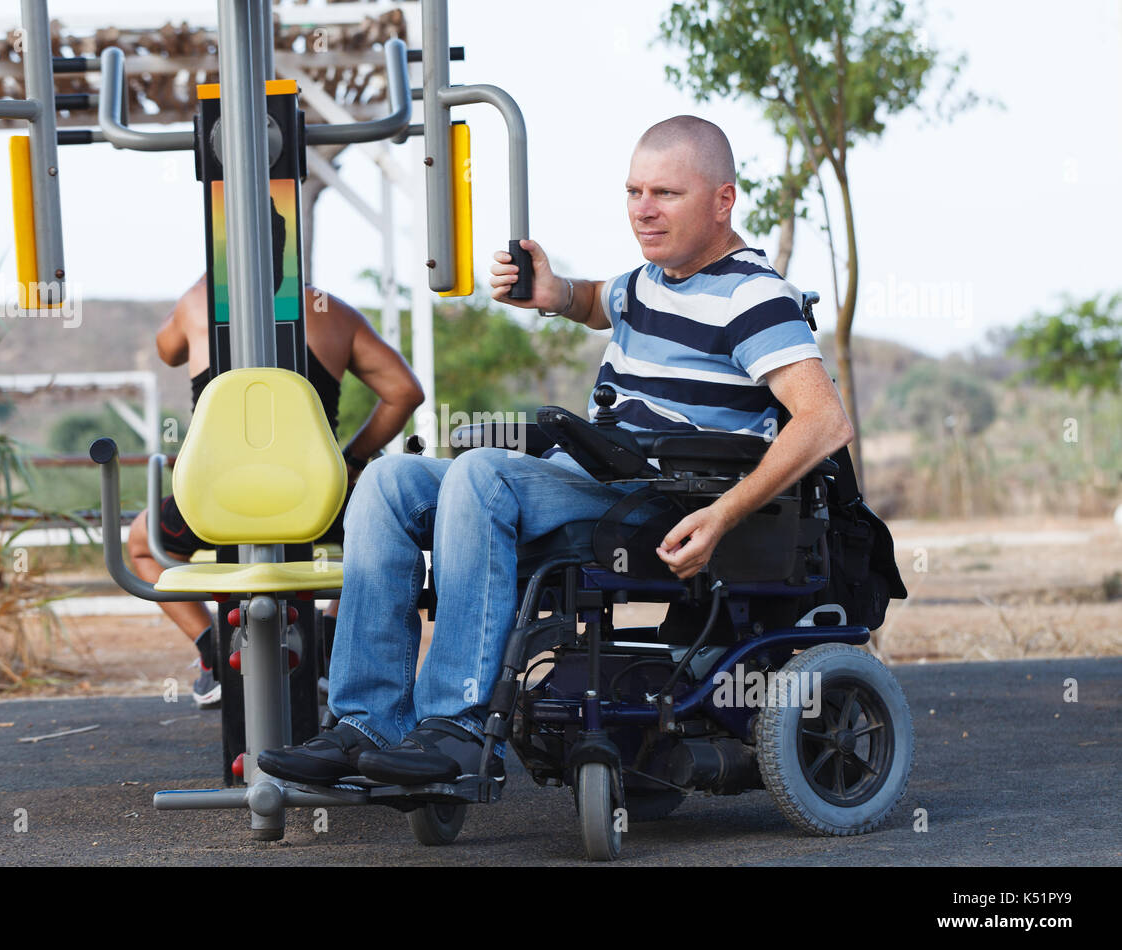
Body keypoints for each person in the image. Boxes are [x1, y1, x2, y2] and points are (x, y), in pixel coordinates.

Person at [257, 115, 854, 787]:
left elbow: (824, 422)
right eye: (633, 192)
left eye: (665, 194)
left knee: (484, 475)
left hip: (660, 497)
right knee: (390, 479)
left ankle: (455, 726)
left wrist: (723, 516)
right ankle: (366, 721)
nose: (644, 212)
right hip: (592, 473)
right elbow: (605, 300)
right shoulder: (656, 277)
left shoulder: (754, 297)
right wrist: (555, 294)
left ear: (723, 201)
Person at [127, 275, 423, 707]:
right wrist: (351, 461)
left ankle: (213, 650)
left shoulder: (198, 301)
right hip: (315, 496)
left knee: (141, 544)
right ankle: (326, 651)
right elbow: (405, 391)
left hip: (219, 499)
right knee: (379, 539)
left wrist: (207, 283)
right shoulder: (332, 311)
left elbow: (166, 350)